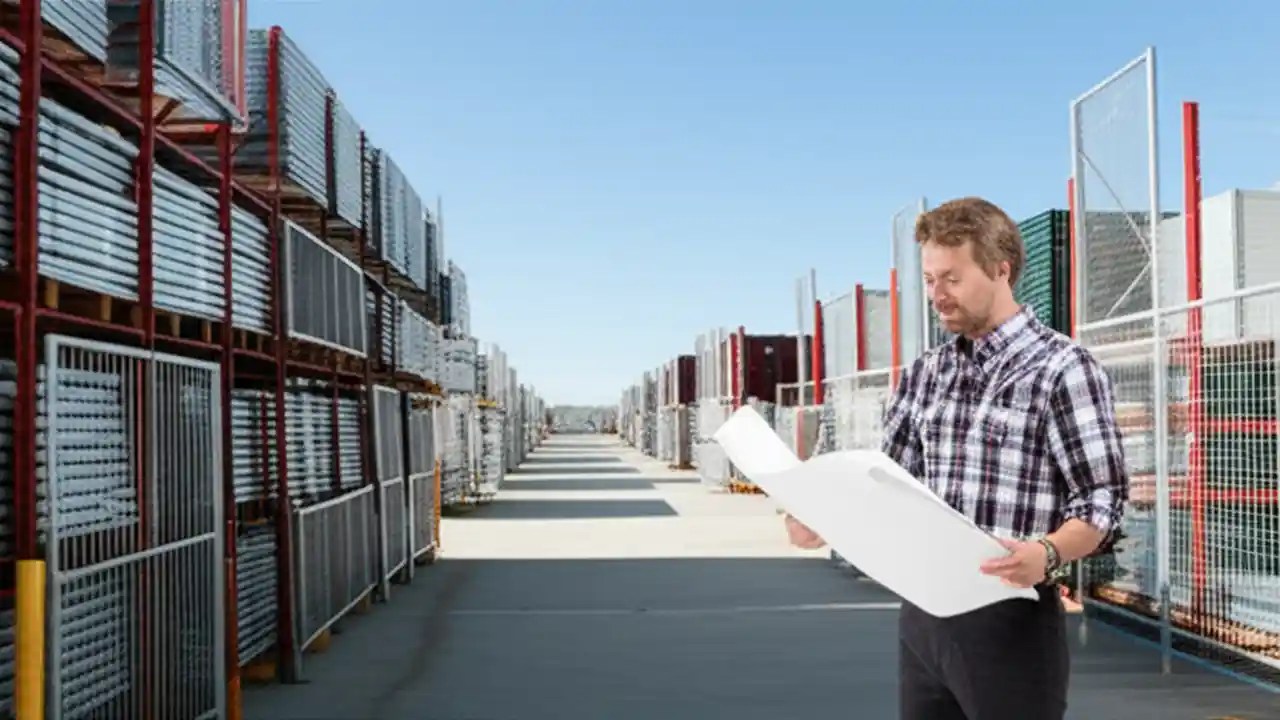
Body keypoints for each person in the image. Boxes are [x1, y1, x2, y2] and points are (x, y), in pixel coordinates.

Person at [786, 197, 1129, 720]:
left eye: (951, 278)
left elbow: (1102, 501)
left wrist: (1047, 553)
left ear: (1000, 269)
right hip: (923, 622)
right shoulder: (926, 373)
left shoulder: (1062, 369)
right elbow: (887, 482)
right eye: (928, 280)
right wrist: (824, 518)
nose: (936, 296)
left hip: (1010, 621)